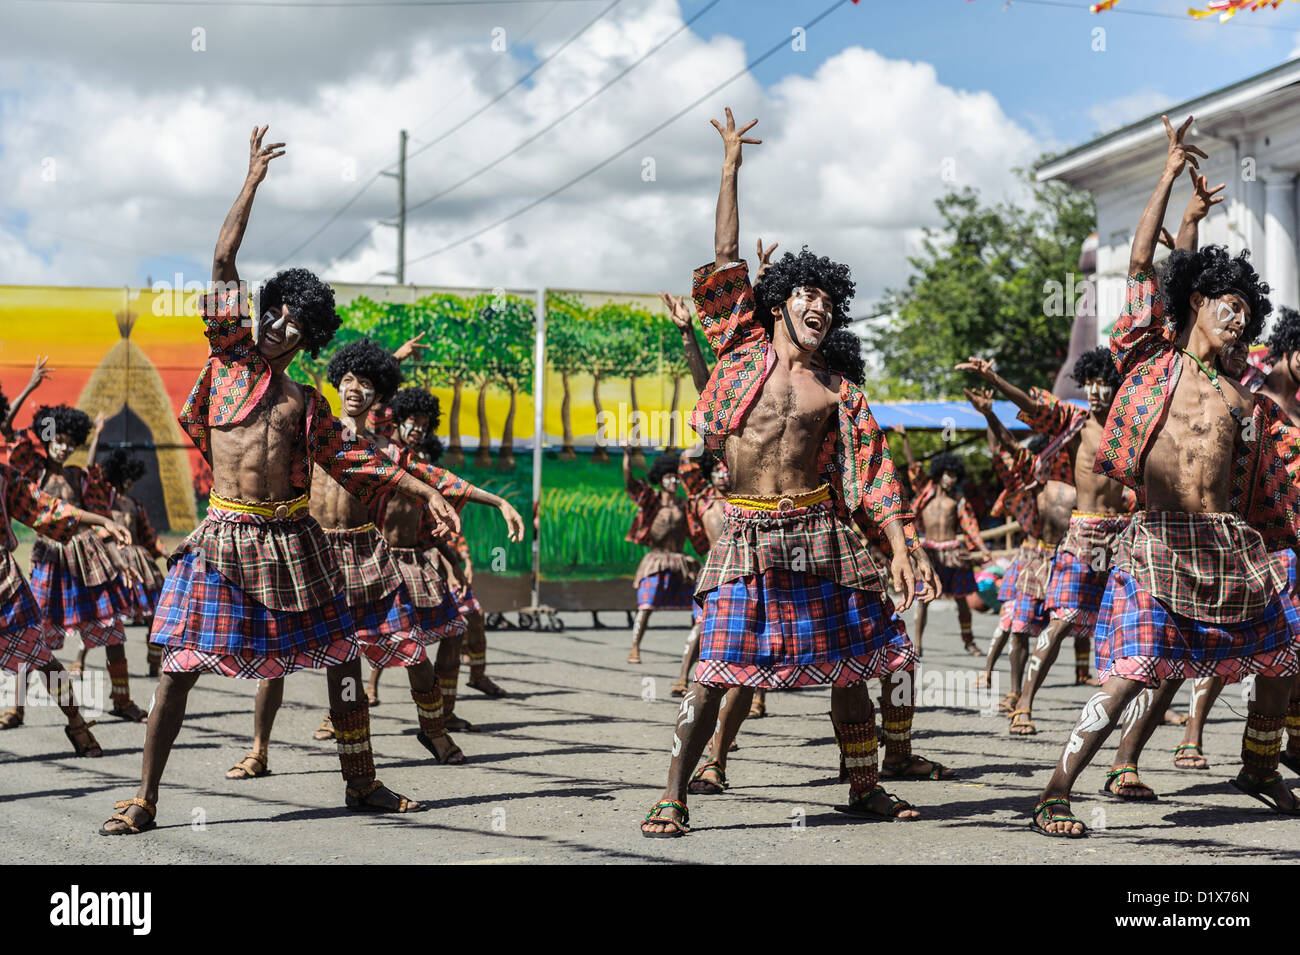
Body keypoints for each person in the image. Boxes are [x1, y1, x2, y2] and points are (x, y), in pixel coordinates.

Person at [99, 126, 465, 836]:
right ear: (262, 312)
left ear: (308, 340)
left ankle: (362, 782)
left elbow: (356, 463)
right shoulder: (228, 358)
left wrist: (429, 491)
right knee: (177, 666)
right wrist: (252, 181)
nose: (281, 328)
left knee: (345, 658)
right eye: (277, 314)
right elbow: (222, 257)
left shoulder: (306, 401)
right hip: (223, 534)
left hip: (296, 542)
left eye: (297, 326)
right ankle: (144, 797)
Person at [639, 109, 937, 837]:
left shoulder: (839, 388)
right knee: (716, 669)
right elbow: (725, 250)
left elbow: (876, 475)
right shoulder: (739, 349)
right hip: (744, 533)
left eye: (828, 303)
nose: (818, 306)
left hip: (819, 534)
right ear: (779, 303)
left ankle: (863, 786)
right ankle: (675, 790)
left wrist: (900, 545)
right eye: (807, 295)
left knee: (855, 668)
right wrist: (731, 166)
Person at [1025, 116, 1300, 837]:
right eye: (1226, 305)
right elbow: (1144, 262)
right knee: (1132, 672)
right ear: (1195, 309)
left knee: (1283, 654)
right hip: (1156, 541)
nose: (1239, 318)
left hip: (1229, 547)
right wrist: (1169, 176)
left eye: (1247, 309)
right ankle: (1057, 789)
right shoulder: (1150, 359)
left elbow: (1261, 490)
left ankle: (1260, 767)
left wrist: (1281, 547)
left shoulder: (1247, 401)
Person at [959, 346, 1135, 736]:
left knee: (1128, 628)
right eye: (1088, 384)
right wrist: (994, 381)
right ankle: (1023, 703)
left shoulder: (1130, 430)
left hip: (1120, 535)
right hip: (1083, 533)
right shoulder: (1076, 421)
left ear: (1114, 388)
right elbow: (1036, 406)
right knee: (1058, 624)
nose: (1094, 392)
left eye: (1102, 384)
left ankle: (1133, 716)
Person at [9, 406, 146, 723]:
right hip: (49, 558)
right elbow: (9, 431)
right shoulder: (35, 472)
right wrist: (29, 387)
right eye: (59, 439)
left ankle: (122, 700)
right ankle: (15, 707)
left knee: (112, 631)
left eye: (71, 442)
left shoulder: (77, 476)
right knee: (33, 636)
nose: (65, 446)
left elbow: (98, 518)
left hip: (88, 559)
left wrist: (118, 560)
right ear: (48, 438)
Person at [0, 453, 132, 753]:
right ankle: (16, 709)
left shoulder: (5, 478)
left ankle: (76, 723)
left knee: (43, 659)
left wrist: (103, 521)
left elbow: (49, 509)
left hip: (4, 588)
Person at [966, 389, 1075, 720]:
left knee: (1065, 631)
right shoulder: (1032, 482)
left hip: (1066, 559)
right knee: (1018, 629)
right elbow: (1005, 448)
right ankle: (1016, 694)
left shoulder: (1079, 484)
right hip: (1030, 559)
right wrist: (988, 414)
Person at [79, 449, 168, 677]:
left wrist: (167, 554)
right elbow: (90, 470)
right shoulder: (103, 499)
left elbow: (148, 535)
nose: (129, 484)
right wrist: (97, 435)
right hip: (112, 561)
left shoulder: (135, 505)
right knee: (105, 615)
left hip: (140, 564)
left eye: (132, 480)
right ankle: (78, 659)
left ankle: (154, 661)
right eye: (126, 480)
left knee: (154, 614)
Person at [624, 446, 698, 665]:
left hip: (680, 560)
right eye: (669, 477)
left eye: (676, 477)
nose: (673, 482)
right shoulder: (651, 500)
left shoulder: (686, 505)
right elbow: (630, 483)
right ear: (660, 479)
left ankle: (698, 651)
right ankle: (635, 647)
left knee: (699, 606)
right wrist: (627, 457)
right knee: (646, 605)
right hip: (656, 559)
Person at [911, 451, 991, 657]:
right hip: (929, 554)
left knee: (961, 599)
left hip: (953, 554)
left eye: (954, 475)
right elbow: (914, 468)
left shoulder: (958, 500)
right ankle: (917, 645)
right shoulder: (924, 495)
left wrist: (982, 549)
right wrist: (903, 438)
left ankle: (969, 642)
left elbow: (970, 527)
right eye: (948, 474)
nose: (951, 479)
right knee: (923, 600)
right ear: (938, 474)